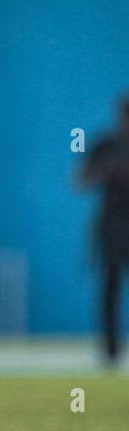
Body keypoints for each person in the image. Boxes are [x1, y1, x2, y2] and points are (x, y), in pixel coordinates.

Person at [78, 96, 129, 366]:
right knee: (111, 287)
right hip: (111, 227)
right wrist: (106, 170)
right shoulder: (106, 145)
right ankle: (111, 351)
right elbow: (80, 181)